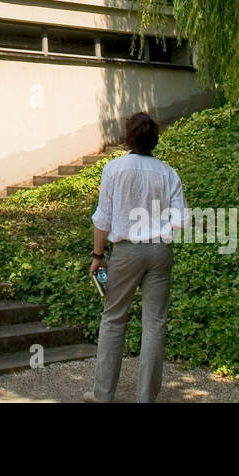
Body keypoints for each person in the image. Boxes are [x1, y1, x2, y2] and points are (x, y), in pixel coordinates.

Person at [84, 111, 188, 403]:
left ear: (128, 137)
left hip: (126, 252)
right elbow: (182, 219)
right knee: (154, 323)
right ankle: (146, 399)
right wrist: (162, 232)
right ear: (155, 140)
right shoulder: (168, 172)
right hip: (159, 251)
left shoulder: (114, 169)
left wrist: (97, 254)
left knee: (114, 319)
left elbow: (102, 218)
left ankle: (103, 395)